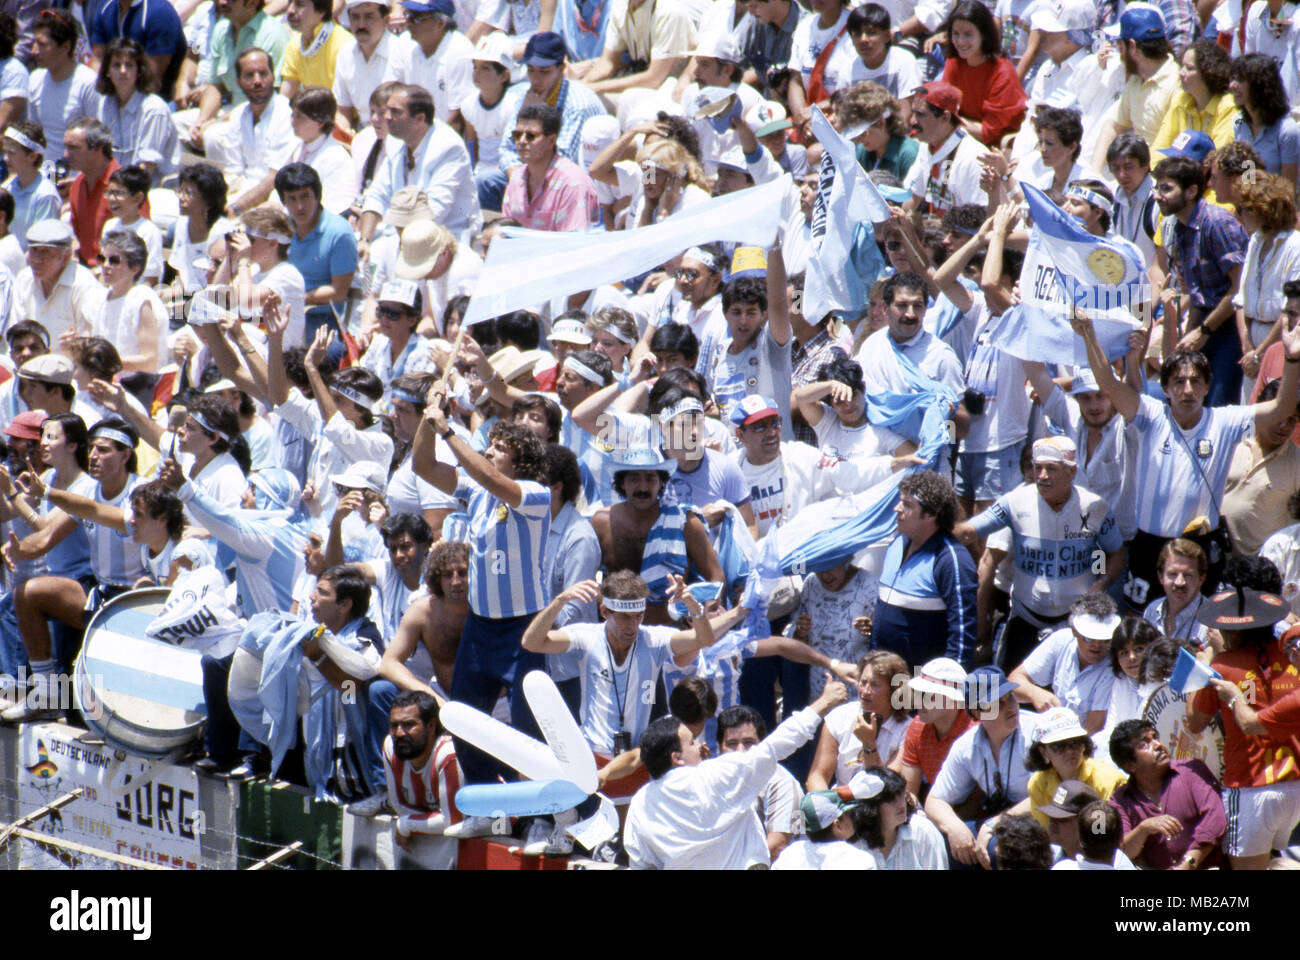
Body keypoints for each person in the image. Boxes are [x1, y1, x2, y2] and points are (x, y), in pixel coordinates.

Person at [1071, 310, 1300, 610]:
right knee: (1142, 630)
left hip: (1198, 549)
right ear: (1165, 390)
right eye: (1178, 382)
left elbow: (1282, 408)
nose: (1187, 390)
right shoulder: (1150, 415)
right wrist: (1088, 333)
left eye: (1195, 382)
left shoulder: (1226, 421)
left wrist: (1293, 358)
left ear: (1207, 388)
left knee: (1195, 632)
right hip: (1143, 546)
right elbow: (1108, 383)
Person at [623, 677, 848, 870]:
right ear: (677, 757)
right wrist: (824, 702)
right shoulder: (717, 773)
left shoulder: (640, 801)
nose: (700, 745)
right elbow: (779, 743)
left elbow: (642, 863)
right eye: (692, 742)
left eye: (749, 742)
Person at [3, 417, 142, 721]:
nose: (93, 456)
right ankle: (47, 691)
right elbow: (46, 536)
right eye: (92, 449)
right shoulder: (90, 493)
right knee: (26, 593)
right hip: (100, 592)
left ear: (125, 455)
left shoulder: (141, 492)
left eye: (103, 450)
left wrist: (41, 494)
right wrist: (18, 550)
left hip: (139, 598)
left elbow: (96, 513)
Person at [956, 436, 1126, 670]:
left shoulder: (1094, 507)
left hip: (1075, 623)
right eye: (1038, 468)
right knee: (1012, 692)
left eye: (1052, 469)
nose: (1043, 476)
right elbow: (968, 532)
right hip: (1025, 618)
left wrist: (1100, 583)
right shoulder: (1014, 502)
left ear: (1072, 471)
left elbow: (1115, 554)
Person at [1188, 586, 1300, 870]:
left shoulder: (1221, 666)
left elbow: (1195, 722)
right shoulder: (1294, 661)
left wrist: (1202, 666)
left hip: (1251, 789)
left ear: (1231, 632)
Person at [589, 446, 723, 625]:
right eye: (634, 479)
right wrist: (614, 612)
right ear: (622, 483)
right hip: (617, 630)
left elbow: (716, 577)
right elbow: (587, 583)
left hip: (673, 631)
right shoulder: (601, 524)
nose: (643, 487)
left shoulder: (685, 522)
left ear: (661, 483)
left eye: (650, 478)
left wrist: (702, 608)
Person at [924, 665, 1040, 866]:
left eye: (1011, 696)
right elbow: (934, 801)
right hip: (999, 824)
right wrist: (955, 828)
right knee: (942, 841)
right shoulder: (966, 745)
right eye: (998, 702)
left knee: (999, 848)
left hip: (1040, 821)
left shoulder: (1037, 733)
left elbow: (1049, 792)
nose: (1010, 706)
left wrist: (993, 824)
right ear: (977, 712)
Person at [873, 471, 978, 670]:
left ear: (931, 514)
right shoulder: (896, 543)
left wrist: (947, 689)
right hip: (886, 679)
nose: (897, 509)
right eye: (900, 501)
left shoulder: (952, 560)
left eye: (907, 504)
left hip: (922, 685)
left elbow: (963, 635)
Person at [359, 83, 480, 250]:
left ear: (420, 119)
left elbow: (434, 211)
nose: (386, 116)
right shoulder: (394, 140)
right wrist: (364, 240)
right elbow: (377, 195)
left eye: (396, 112)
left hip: (446, 239)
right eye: (387, 110)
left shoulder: (448, 147)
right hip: (400, 234)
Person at [1107, 719, 1225, 869]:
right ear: (1130, 765)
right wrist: (1144, 828)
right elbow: (1123, 851)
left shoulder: (1191, 771)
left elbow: (1215, 818)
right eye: (1145, 744)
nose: (1158, 745)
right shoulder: (1120, 800)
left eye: (1155, 737)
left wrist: (1189, 863)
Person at [1008, 593, 1122, 734]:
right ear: (1074, 631)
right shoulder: (1060, 640)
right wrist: (1034, 693)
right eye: (1089, 638)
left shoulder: (1113, 667)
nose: (1097, 645)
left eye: (1105, 640)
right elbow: (1013, 681)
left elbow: (1093, 729)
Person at [1088, 6, 1179, 171]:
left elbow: (1170, 148)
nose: (1119, 54)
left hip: (1160, 175)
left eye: (1119, 46)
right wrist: (1094, 173)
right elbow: (1114, 126)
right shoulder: (1135, 81)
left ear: (1132, 46)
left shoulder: (1176, 83)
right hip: (1135, 173)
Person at [277, 162, 358, 344]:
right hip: (281, 307)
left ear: (317, 196)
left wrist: (295, 300)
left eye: (304, 197)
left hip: (320, 316)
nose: (299, 206)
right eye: (292, 199)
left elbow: (338, 292)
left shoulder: (339, 233)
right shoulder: (281, 227)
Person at [381, 690, 463, 868]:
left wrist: (406, 825)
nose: (399, 733)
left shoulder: (448, 754)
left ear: (431, 726)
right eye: (394, 725)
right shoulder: (390, 746)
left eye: (409, 725)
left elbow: (452, 822)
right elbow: (398, 805)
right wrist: (425, 822)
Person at [808, 650, 911, 788]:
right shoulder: (839, 717)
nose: (865, 691)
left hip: (883, 805)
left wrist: (869, 744)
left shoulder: (908, 729)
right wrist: (822, 803)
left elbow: (887, 789)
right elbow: (817, 776)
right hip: (840, 802)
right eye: (863, 682)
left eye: (875, 685)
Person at [715, 704, 804, 860]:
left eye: (749, 742)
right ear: (719, 748)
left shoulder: (782, 781)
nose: (741, 751)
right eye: (731, 744)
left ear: (763, 746)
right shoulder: (715, 778)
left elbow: (778, 846)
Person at [1222, 378, 1300, 554]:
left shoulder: (1297, 464)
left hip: (1259, 566)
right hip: (1218, 555)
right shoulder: (1232, 442)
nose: (1284, 426)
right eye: (1278, 417)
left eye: (1292, 420)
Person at [501, 102, 599, 232]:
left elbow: (574, 242)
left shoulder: (572, 183)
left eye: (531, 136)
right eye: (517, 135)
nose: (522, 141)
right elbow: (505, 234)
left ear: (551, 140)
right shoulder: (516, 179)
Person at [92, 38, 178, 183]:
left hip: (152, 188)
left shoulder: (154, 109)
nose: (123, 71)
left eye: (129, 65)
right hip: (116, 187)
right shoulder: (105, 103)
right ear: (107, 71)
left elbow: (145, 170)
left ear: (139, 71)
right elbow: (101, 157)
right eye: (116, 65)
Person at [939, 1, 1025, 145]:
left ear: (984, 34)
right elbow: (943, 106)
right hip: (964, 136)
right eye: (956, 34)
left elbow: (989, 133)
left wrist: (950, 121)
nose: (960, 41)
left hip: (999, 146)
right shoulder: (953, 62)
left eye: (968, 34)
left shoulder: (1002, 71)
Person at [27, 10, 98, 178]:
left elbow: (98, 142)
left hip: (79, 179)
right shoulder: (35, 79)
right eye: (34, 43)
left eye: (43, 45)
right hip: (47, 176)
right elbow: (35, 138)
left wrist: (77, 182)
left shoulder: (88, 82)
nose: (34, 51)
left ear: (66, 47)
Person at [904, 80, 990, 216]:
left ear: (945, 117)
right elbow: (913, 199)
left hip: (964, 235)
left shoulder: (974, 158)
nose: (912, 121)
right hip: (936, 231)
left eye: (920, 114)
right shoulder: (926, 145)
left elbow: (982, 219)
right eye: (913, 113)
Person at [14, 220, 104, 347]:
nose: (37, 260)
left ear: (66, 256)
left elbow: (90, 343)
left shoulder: (84, 285)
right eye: (34, 250)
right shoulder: (24, 279)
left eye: (46, 252)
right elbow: (16, 333)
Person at [896, 657, 974, 799]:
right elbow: (909, 793)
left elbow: (977, 797)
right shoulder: (917, 726)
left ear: (954, 701)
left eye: (928, 696)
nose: (918, 701)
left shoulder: (974, 731)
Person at [333, 1, 414, 132]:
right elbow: (342, 110)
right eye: (355, 17)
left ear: (386, 20)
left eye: (369, 17)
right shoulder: (345, 54)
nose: (361, 25)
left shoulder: (402, 52)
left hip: (398, 135)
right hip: (362, 136)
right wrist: (347, 136)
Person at [849, 766, 948, 869]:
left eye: (901, 794)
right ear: (871, 807)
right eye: (890, 799)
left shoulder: (923, 831)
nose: (901, 804)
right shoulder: (853, 845)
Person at [1151, 40, 1236, 152]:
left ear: (1209, 73)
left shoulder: (1228, 106)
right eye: (1182, 66)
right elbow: (1159, 148)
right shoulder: (1180, 100)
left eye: (1189, 68)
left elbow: (1219, 157)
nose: (1181, 72)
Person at [1228, 52, 1299, 183]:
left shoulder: (1287, 131)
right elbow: (1245, 178)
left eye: (1240, 80)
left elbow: (1289, 191)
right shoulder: (1238, 123)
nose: (1232, 85)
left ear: (1259, 84)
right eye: (1232, 79)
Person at [287, 86, 356, 216]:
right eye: (292, 115)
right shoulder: (297, 148)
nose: (292, 122)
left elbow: (334, 208)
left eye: (299, 117)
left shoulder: (336, 158)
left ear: (320, 122)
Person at [771, 787, 878, 870]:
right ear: (837, 825)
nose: (853, 819)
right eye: (849, 814)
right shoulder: (860, 860)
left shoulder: (790, 854)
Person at [64, 118, 119, 267]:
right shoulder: (77, 185)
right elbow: (75, 234)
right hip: (83, 270)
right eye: (66, 147)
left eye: (74, 148)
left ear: (98, 149)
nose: (66, 155)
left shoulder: (125, 189)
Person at [281, 0, 354, 101]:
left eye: (299, 5)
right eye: (289, 4)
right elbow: (285, 95)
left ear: (321, 11)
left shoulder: (345, 46)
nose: (290, 11)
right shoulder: (294, 44)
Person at [2, 123, 60, 250]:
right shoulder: (6, 188)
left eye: (12, 153)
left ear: (32, 156)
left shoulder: (46, 195)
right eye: (6, 152)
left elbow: (41, 243)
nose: (6, 158)